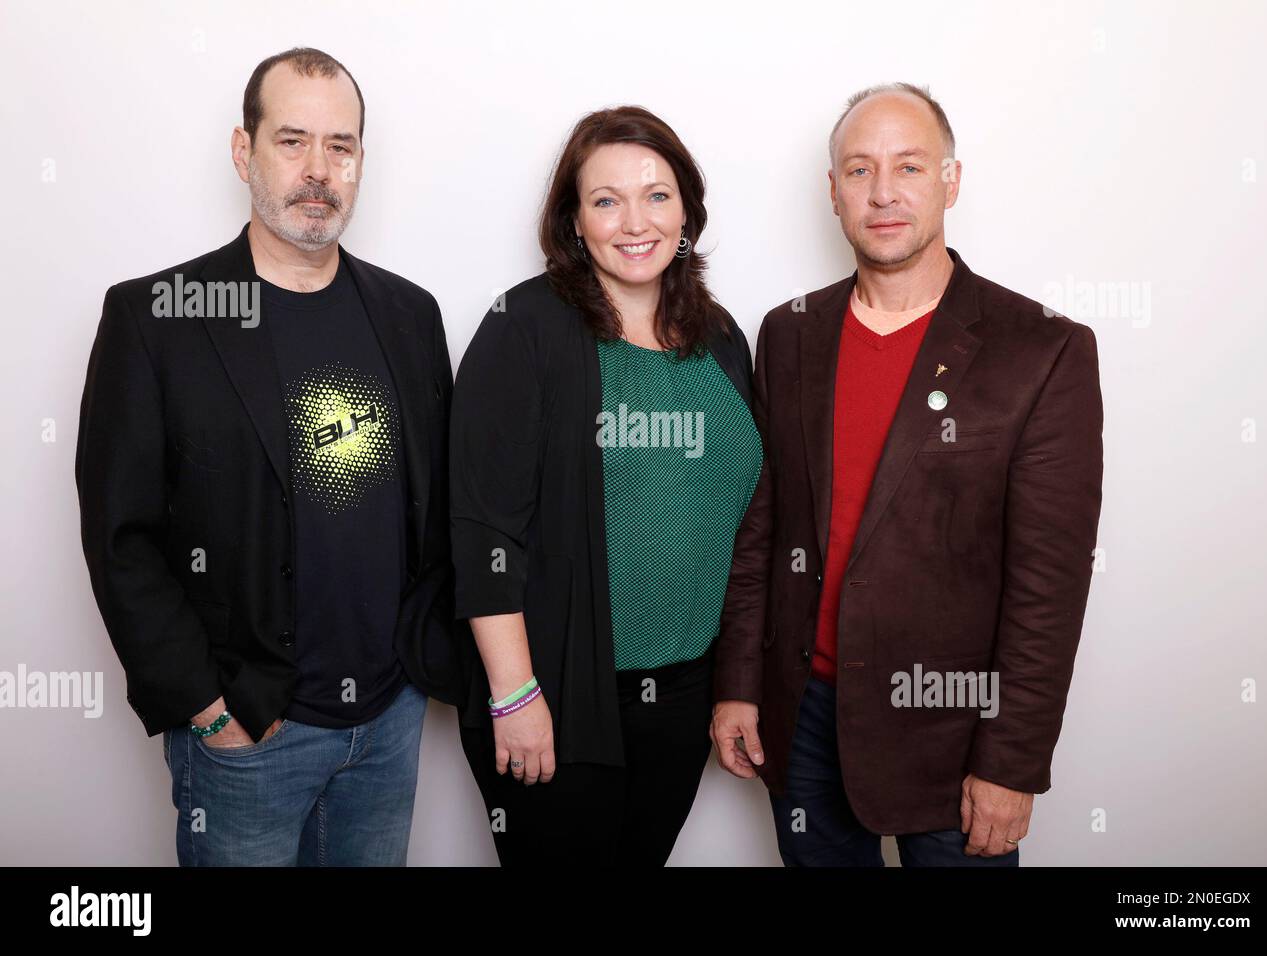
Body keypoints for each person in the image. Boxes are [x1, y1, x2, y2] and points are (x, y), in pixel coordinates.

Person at [75, 47, 463, 866]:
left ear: (362, 160)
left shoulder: (410, 315)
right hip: (250, 735)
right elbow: (122, 538)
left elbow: (439, 509)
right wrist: (208, 709)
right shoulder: (156, 319)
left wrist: (420, 667)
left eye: (341, 146)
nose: (319, 170)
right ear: (244, 152)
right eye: (292, 142)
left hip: (389, 726)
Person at [710, 83, 1104, 866]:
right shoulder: (787, 335)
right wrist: (740, 682)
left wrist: (1011, 762)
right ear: (831, 193)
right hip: (804, 720)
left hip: (952, 734)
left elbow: (1047, 586)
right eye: (858, 171)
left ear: (951, 181)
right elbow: (762, 524)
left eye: (910, 167)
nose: (883, 192)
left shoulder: (1042, 349)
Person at [450, 106, 762, 866]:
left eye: (657, 195)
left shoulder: (721, 338)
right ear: (574, 221)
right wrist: (515, 696)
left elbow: (744, 516)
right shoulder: (522, 328)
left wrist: (734, 684)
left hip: (684, 697)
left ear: (686, 210)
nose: (635, 221)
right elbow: (481, 528)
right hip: (557, 693)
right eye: (606, 199)